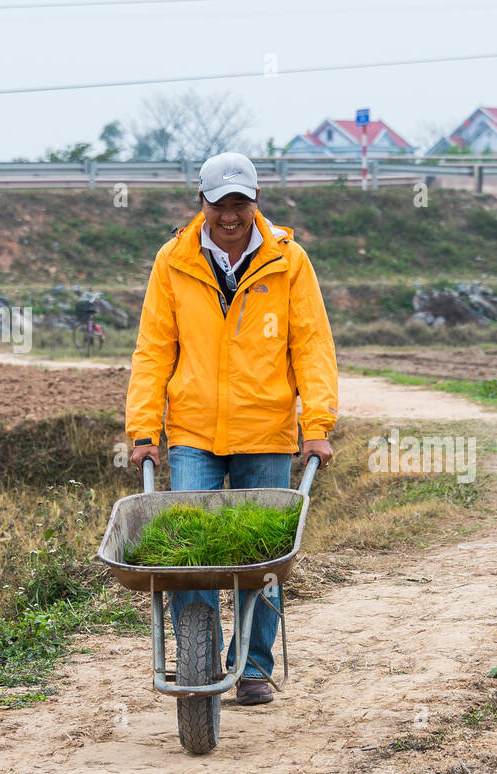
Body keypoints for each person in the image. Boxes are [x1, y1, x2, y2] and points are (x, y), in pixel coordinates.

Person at [126, 151, 337, 706]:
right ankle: (198, 661)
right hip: (193, 430)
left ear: (255, 202)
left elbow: (311, 346)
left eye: (240, 203)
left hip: (266, 430)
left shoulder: (289, 261)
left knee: (260, 555)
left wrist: (316, 424)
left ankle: (252, 668)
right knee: (189, 553)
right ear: (202, 201)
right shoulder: (173, 261)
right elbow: (153, 351)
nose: (230, 215)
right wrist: (144, 430)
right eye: (220, 204)